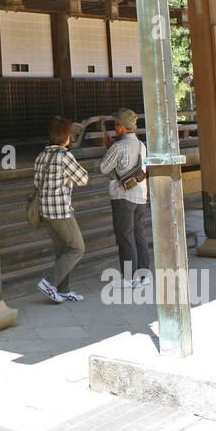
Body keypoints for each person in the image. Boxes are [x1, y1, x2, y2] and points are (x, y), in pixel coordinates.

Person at [34, 115, 89, 303]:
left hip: (44, 210)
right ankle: (49, 282)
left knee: (62, 250)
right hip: (60, 211)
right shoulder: (64, 156)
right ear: (66, 136)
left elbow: (36, 183)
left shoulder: (42, 155)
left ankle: (63, 289)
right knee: (77, 248)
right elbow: (83, 179)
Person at [100, 108, 152, 287]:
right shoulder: (141, 145)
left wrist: (108, 149)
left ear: (122, 127)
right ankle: (144, 274)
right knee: (138, 234)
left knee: (125, 236)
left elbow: (104, 168)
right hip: (140, 195)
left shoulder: (118, 146)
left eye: (116, 125)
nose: (115, 128)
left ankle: (130, 277)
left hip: (122, 196)